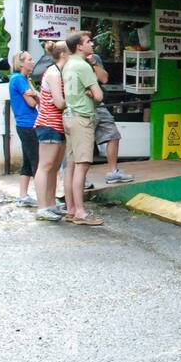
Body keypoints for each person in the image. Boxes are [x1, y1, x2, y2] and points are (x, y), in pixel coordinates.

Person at [60, 31, 104, 226]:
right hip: (82, 119)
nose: (92, 44)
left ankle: (70, 209)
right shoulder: (83, 66)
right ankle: (80, 212)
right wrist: (92, 92)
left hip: (68, 116)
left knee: (71, 165)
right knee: (82, 165)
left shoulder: (67, 65)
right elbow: (99, 95)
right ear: (79, 46)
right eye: (88, 41)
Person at [33, 41, 69, 222]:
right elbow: (59, 102)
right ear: (63, 54)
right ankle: (42, 207)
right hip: (49, 125)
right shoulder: (54, 73)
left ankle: (51, 203)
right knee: (45, 166)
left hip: (57, 125)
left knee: (53, 167)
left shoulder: (57, 72)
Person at [87, 50, 133, 184]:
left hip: (98, 104)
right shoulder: (73, 60)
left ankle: (113, 172)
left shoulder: (94, 58)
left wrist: (94, 63)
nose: (92, 45)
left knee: (113, 135)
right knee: (84, 142)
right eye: (88, 42)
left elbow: (104, 79)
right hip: (82, 105)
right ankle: (79, 177)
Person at [8, 51, 39, 207]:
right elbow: (33, 103)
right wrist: (34, 95)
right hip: (28, 124)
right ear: (21, 63)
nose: (32, 62)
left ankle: (23, 195)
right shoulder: (19, 79)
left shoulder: (24, 79)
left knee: (28, 161)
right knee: (36, 162)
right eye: (29, 59)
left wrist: (33, 93)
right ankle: (44, 199)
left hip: (25, 124)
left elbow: (36, 97)